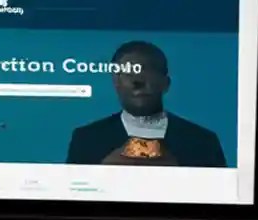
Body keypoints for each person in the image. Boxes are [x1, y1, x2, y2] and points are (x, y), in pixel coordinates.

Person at [66, 41, 228, 168]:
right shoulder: (86, 139)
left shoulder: (202, 142)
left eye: (147, 70)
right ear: (116, 82)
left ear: (166, 83)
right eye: (129, 72)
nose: (138, 82)